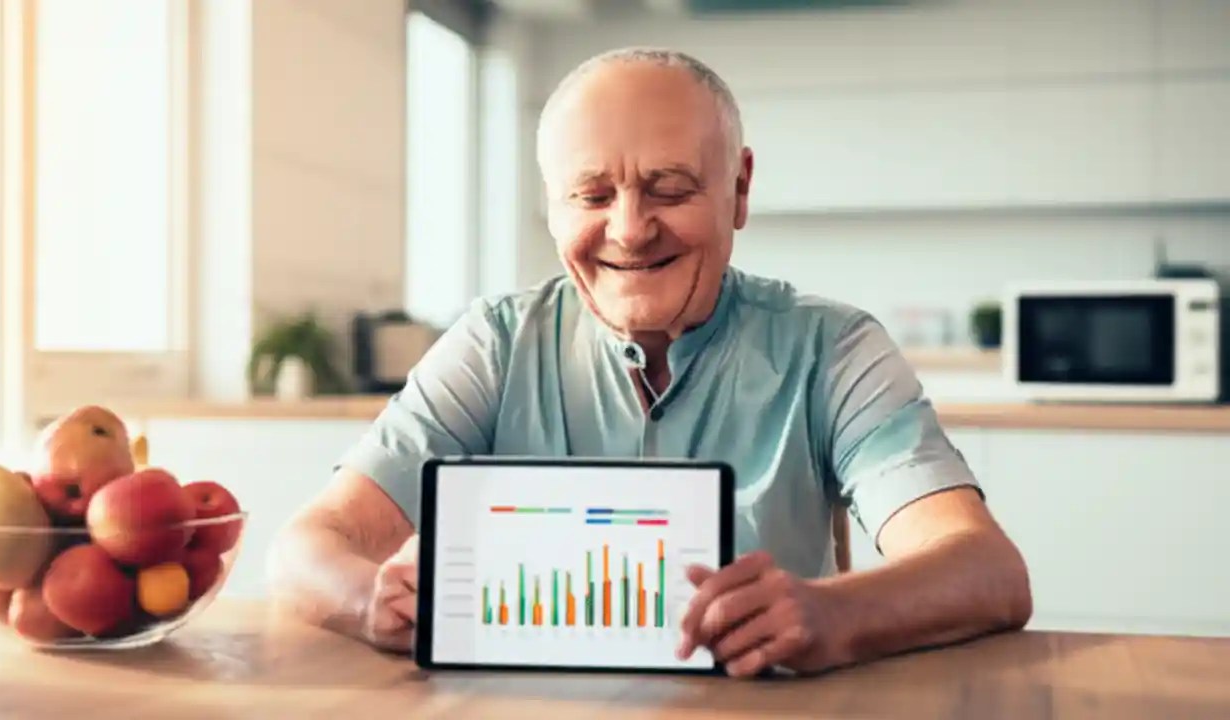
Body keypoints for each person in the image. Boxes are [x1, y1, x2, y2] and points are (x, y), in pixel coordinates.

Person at [267, 47, 1032, 679]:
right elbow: (305, 550)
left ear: (739, 189)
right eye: (591, 194)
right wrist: (371, 602)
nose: (630, 230)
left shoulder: (833, 348)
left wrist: (836, 613)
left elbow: (986, 570)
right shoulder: (494, 344)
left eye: (669, 189)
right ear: (554, 205)